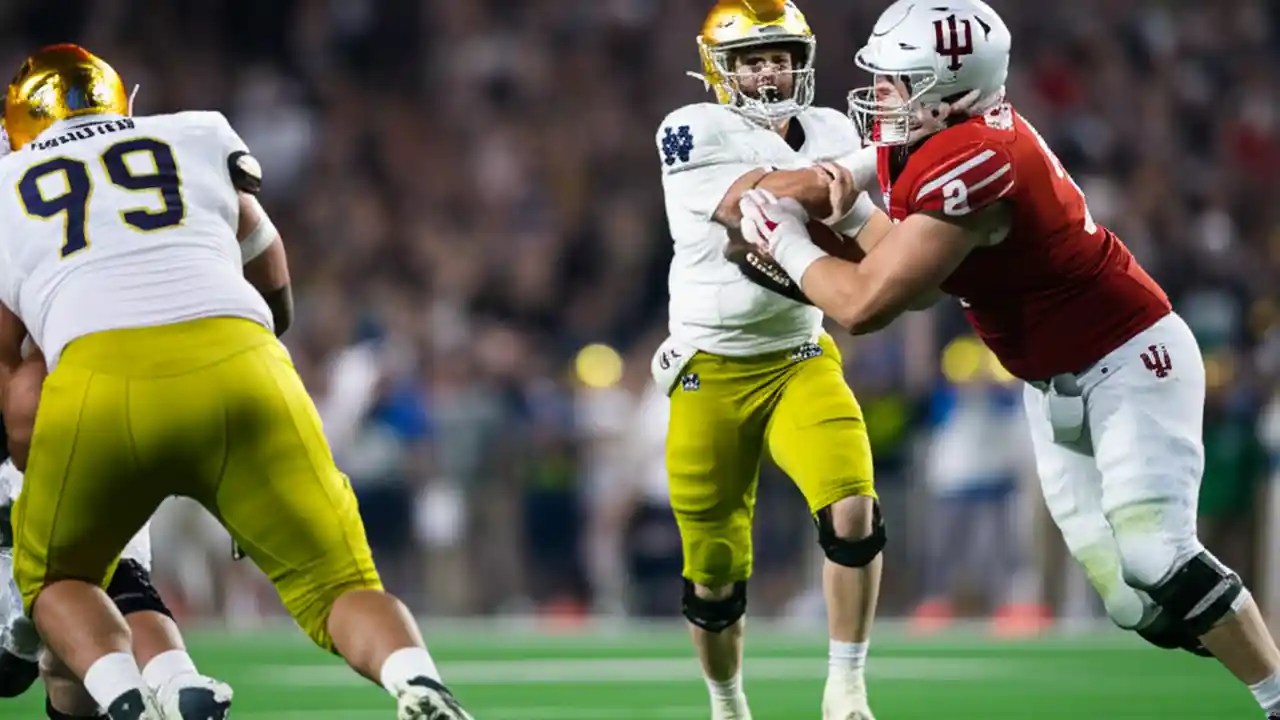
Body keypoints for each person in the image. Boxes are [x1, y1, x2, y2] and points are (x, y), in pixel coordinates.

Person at [738, 1, 1280, 717]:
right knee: (1128, 602)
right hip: (1052, 383)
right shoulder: (937, 138)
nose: (883, 97)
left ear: (951, 90)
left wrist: (786, 244)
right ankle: (1220, 622)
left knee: (1158, 555)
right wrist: (778, 198)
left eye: (901, 83)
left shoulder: (976, 160)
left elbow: (869, 305)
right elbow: (883, 241)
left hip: (1129, 358)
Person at [0, 44, 471, 720]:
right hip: (243, 358)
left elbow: (14, 383)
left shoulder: (8, 185)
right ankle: (419, 683)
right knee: (342, 584)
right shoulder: (197, 136)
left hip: (99, 380)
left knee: (58, 583)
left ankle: (128, 701)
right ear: (119, 102)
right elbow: (274, 285)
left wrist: (36, 468)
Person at [654, 2, 891, 718]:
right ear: (719, 68)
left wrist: (916, 263)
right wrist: (866, 163)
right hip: (709, 364)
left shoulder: (829, 129)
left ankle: (846, 690)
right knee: (715, 576)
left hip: (798, 353)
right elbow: (746, 205)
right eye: (752, 59)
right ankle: (728, 704)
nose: (768, 71)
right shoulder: (690, 127)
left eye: (780, 55)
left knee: (853, 510)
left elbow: (866, 231)